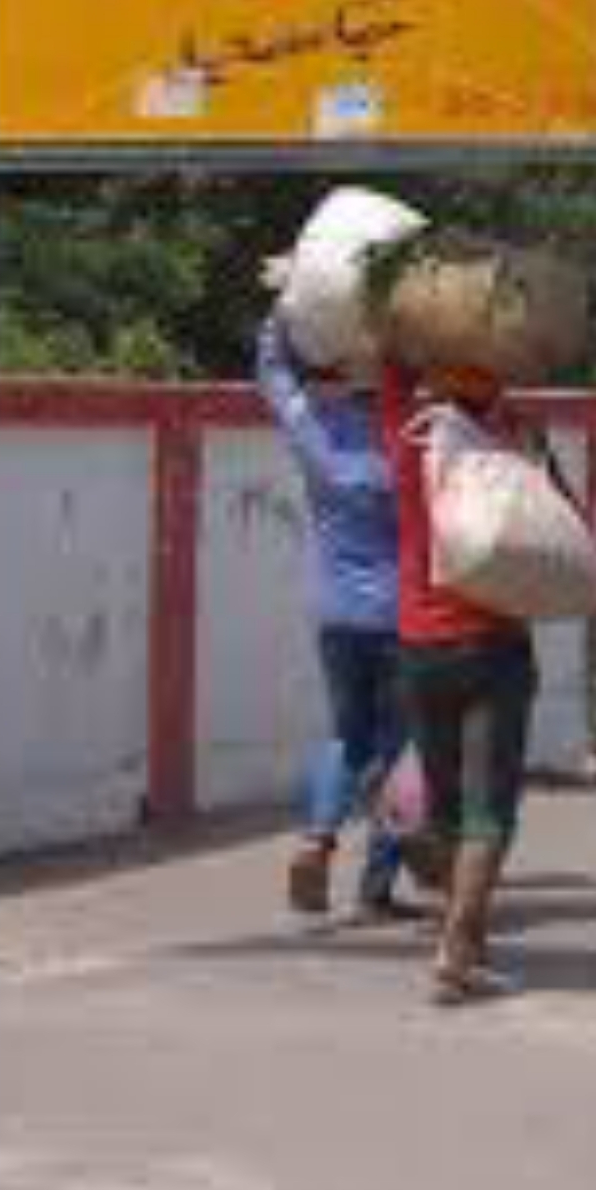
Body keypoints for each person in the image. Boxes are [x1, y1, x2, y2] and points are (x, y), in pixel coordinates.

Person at [384, 357, 544, 1005]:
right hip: (494, 644)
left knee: (447, 808)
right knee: (488, 810)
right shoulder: (506, 450)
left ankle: (465, 942)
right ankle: (457, 946)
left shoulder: (407, 438)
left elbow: (389, 356)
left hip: (421, 648)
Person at [257, 317, 417, 924]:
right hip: (402, 616)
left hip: (336, 612)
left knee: (347, 736)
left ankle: (318, 837)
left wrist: (282, 315)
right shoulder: (410, 438)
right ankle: (376, 889)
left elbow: (272, 373)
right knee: (403, 752)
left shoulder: (315, 431)